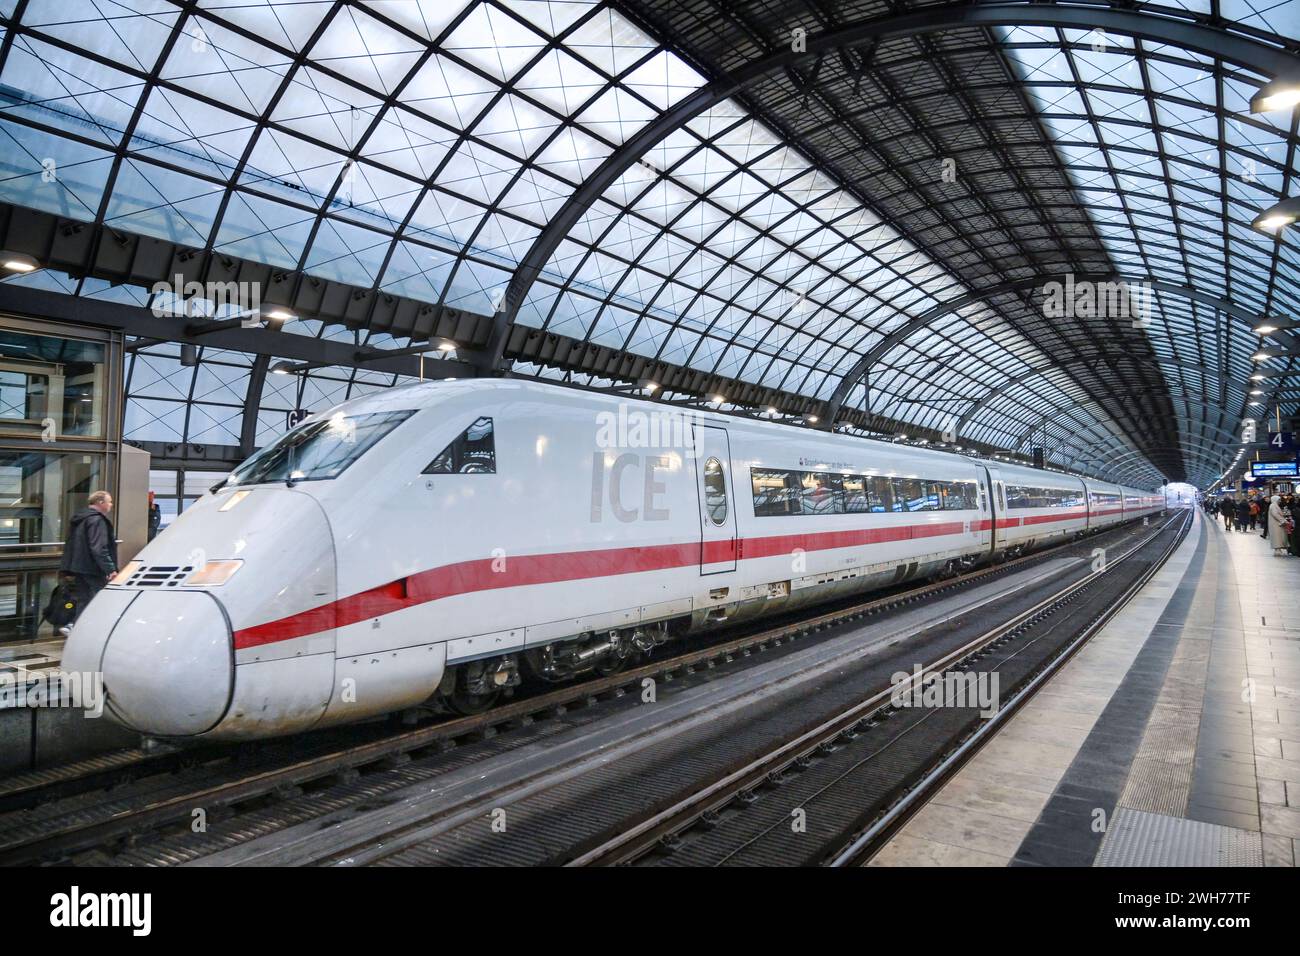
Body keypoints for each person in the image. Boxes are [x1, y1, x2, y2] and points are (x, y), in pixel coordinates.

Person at [58, 490, 117, 628]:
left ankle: (76, 627)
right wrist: (110, 569)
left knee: (84, 600)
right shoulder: (96, 520)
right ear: (100, 502)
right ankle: (97, 630)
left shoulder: (81, 518)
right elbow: (99, 547)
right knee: (101, 600)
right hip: (92, 568)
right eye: (109, 502)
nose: (111, 505)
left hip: (77, 567)